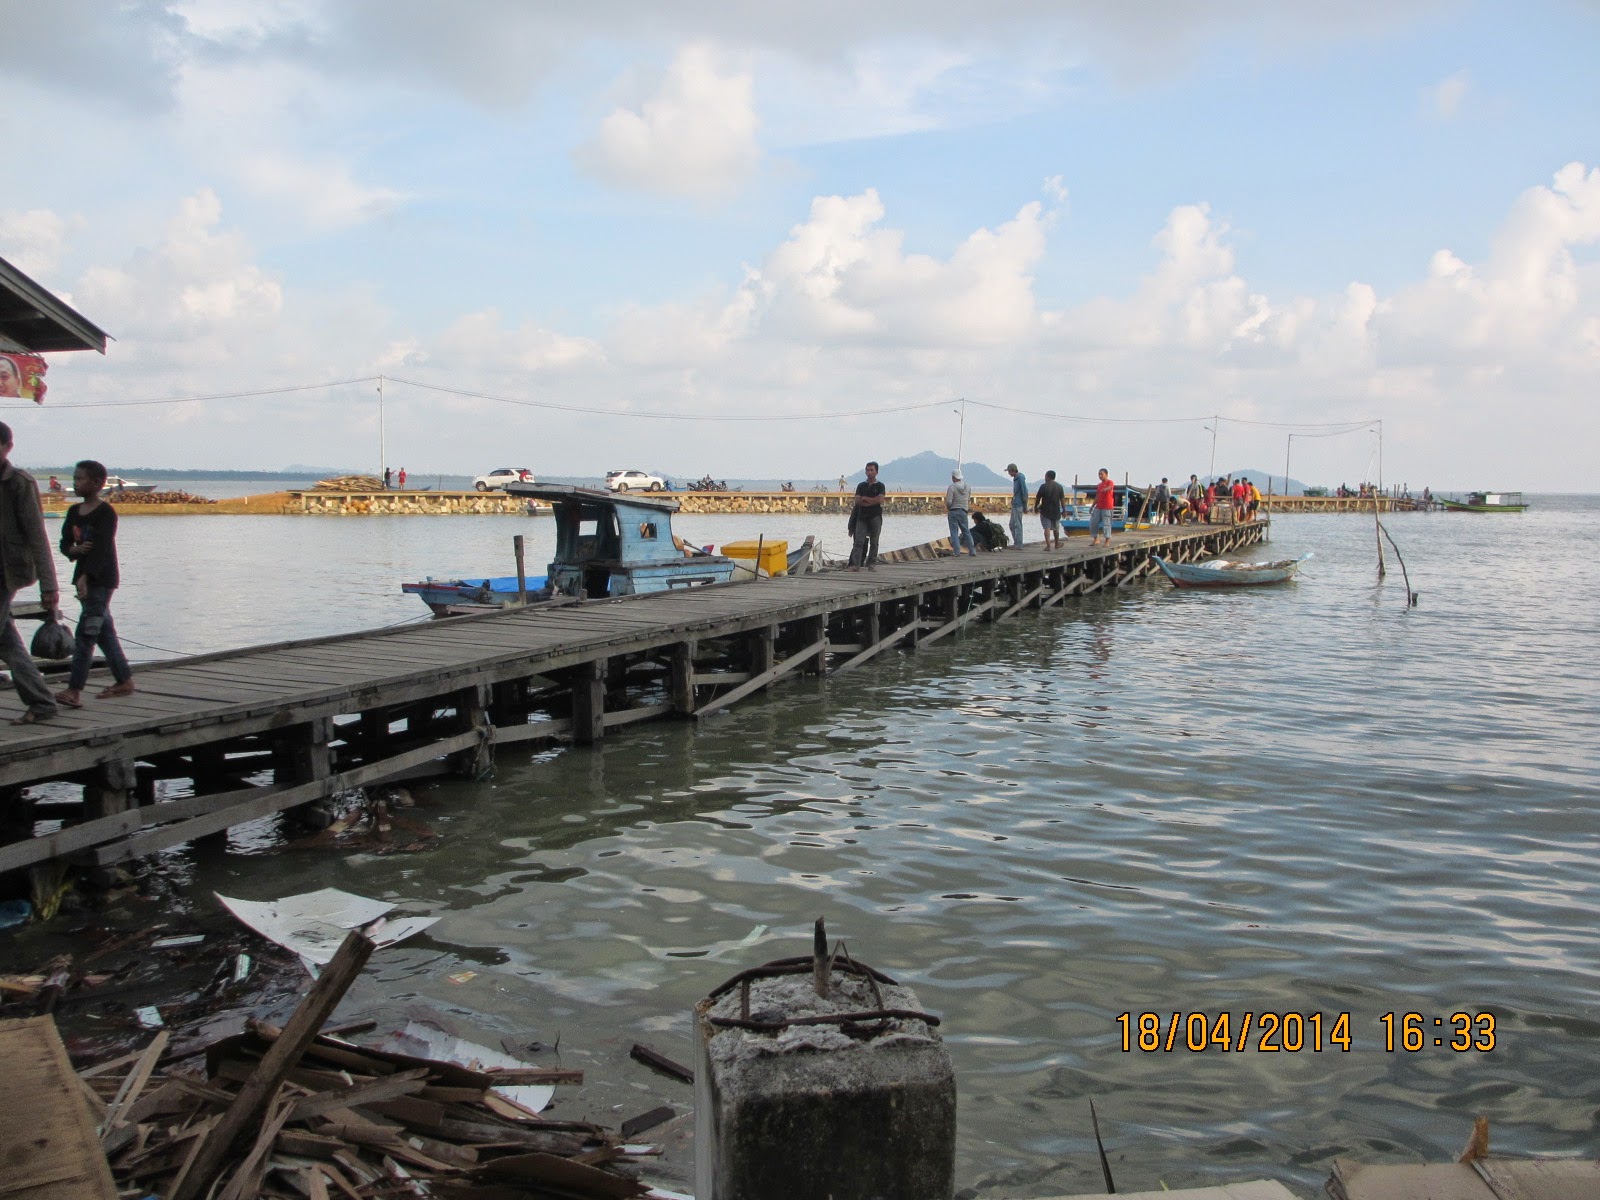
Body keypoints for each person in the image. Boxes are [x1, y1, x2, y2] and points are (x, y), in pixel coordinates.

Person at [53, 460, 134, 709]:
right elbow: (65, 544)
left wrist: (86, 577)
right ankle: (124, 680)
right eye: (75, 478)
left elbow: (101, 550)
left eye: (80, 479)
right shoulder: (74, 512)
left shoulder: (105, 513)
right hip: (83, 579)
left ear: (97, 483)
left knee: (86, 634)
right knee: (104, 633)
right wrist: (74, 550)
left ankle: (74, 689)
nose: (75, 483)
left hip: (101, 579)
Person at [0, 421, 61, 724]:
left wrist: (49, 586)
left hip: (7, 572)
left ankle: (41, 702)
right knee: (7, 643)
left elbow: (38, 536)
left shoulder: (19, 483)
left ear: (7, 448)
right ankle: (41, 702)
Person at [847, 461, 886, 570]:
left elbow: (880, 500)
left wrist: (866, 499)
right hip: (862, 517)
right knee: (859, 542)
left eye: (871, 470)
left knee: (874, 542)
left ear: (876, 472)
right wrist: (872, 501)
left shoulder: (880, 486)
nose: (869, 472)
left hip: (875, 516)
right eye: (867, 470)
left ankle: (871, 563)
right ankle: (855, 564)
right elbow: (858, 501)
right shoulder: (861, 486)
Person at [944, 470, 976, 557]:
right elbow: (968, 499)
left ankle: (956, 552)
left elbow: (949, 501)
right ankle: (972, 551)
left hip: (953, 511)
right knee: (966, 531)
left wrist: (948, 507)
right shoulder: (968, 487)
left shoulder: (952, 487)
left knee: (954, 532)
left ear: (954, 477)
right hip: (963, 511)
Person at [1035, 469, 1066, 549]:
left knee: (1047, 528)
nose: (1045, 478)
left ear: (1048, 477)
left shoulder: (1043, 486)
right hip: (1056, 511)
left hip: (1045, 511)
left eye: (1045, 476)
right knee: (1056, 529)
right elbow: (1062, 500)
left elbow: (1038, 498)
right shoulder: (1059, 487)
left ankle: (1048, 545)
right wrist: (1064, 510)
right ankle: (1056, 544)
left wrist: (1035, 507)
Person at [1088, 467, 1116, 546]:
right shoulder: (1099, 485)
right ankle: (1096, 539)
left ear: (1106, 474)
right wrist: (1092, 506)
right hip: (1098, 507)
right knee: (1093, 522)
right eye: (1099, 474)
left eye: (1101, 474)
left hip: (1107, 507)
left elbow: (1110, 487)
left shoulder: (1110, 482)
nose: (1100, 476)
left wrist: (1106, 489)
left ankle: (1107, 541)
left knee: (1106, 524)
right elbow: (1097, 497)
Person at [1005, 462, 1027, 549]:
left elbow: (1024, 492)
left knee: (1017, 524)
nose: (1008, 473)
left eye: (1009, 471)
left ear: (1013, 470)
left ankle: (1019, 544)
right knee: (1011, 524)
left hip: (1019, 504)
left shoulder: (1020, 478)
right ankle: (1016, 542)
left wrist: (1025, 506)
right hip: (1015, 504)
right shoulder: (1015, 478)